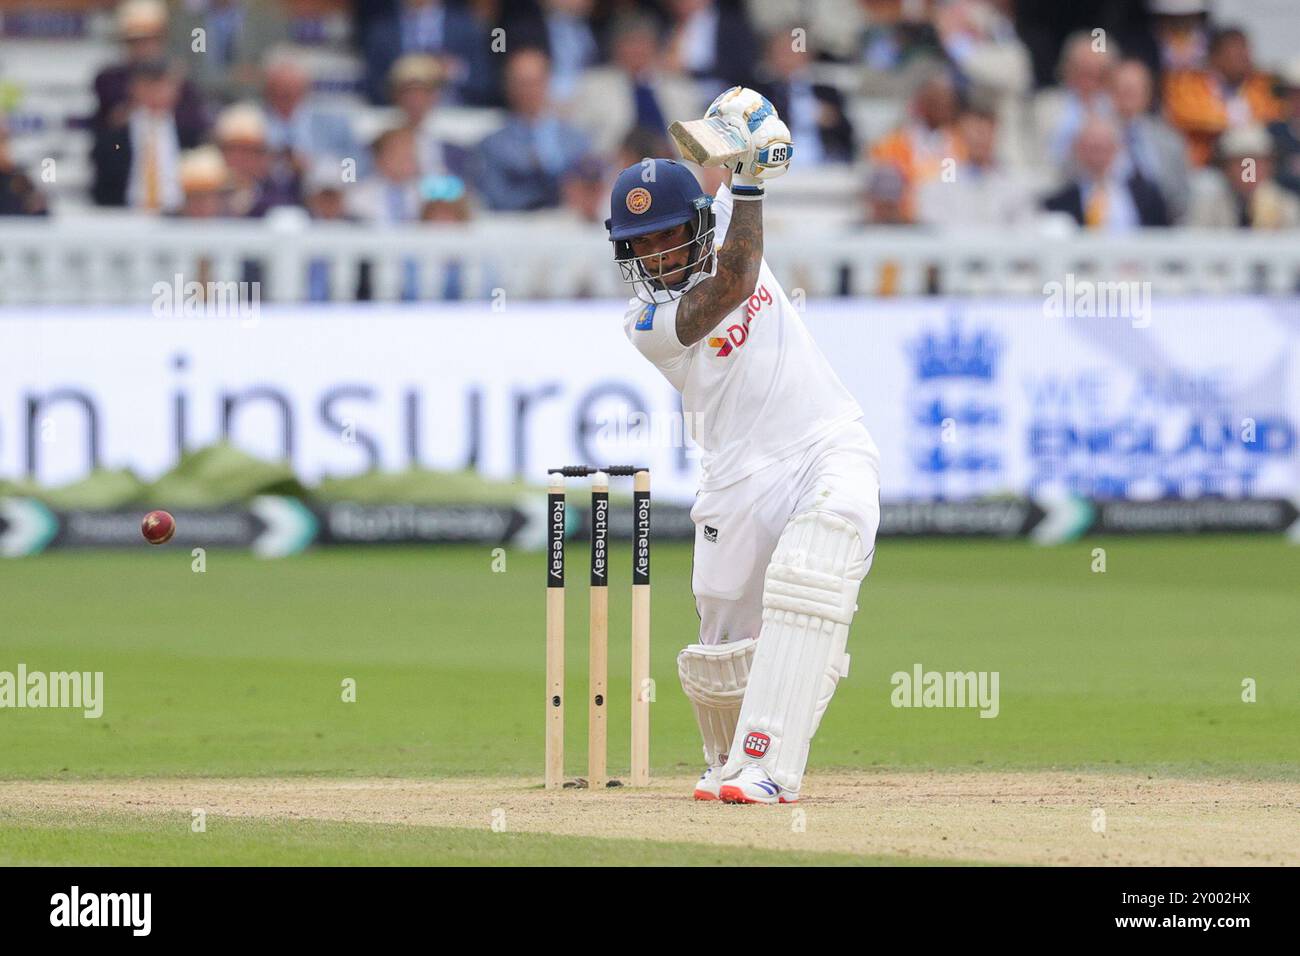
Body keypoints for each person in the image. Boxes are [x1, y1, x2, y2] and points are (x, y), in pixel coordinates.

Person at [608, 88, 881, 804]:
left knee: (816, 566)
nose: (652, 255)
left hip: (827, 440)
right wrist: (751, 175)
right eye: (636, 244)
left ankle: (771, 766)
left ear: (696, 222)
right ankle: (729, 759)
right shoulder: (647, 322)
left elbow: (736, 164)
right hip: (737, 479)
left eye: (665, 235)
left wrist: (742, 126)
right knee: (722, 651)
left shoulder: (727, 216)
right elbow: (734, 282)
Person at [1043, 116, 1170, 230]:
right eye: (1091, 149)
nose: (1097, 157)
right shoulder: (1060, 201)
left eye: (1104, 148)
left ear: (1117, 149)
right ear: (1078, 150)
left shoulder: (1147, 194)